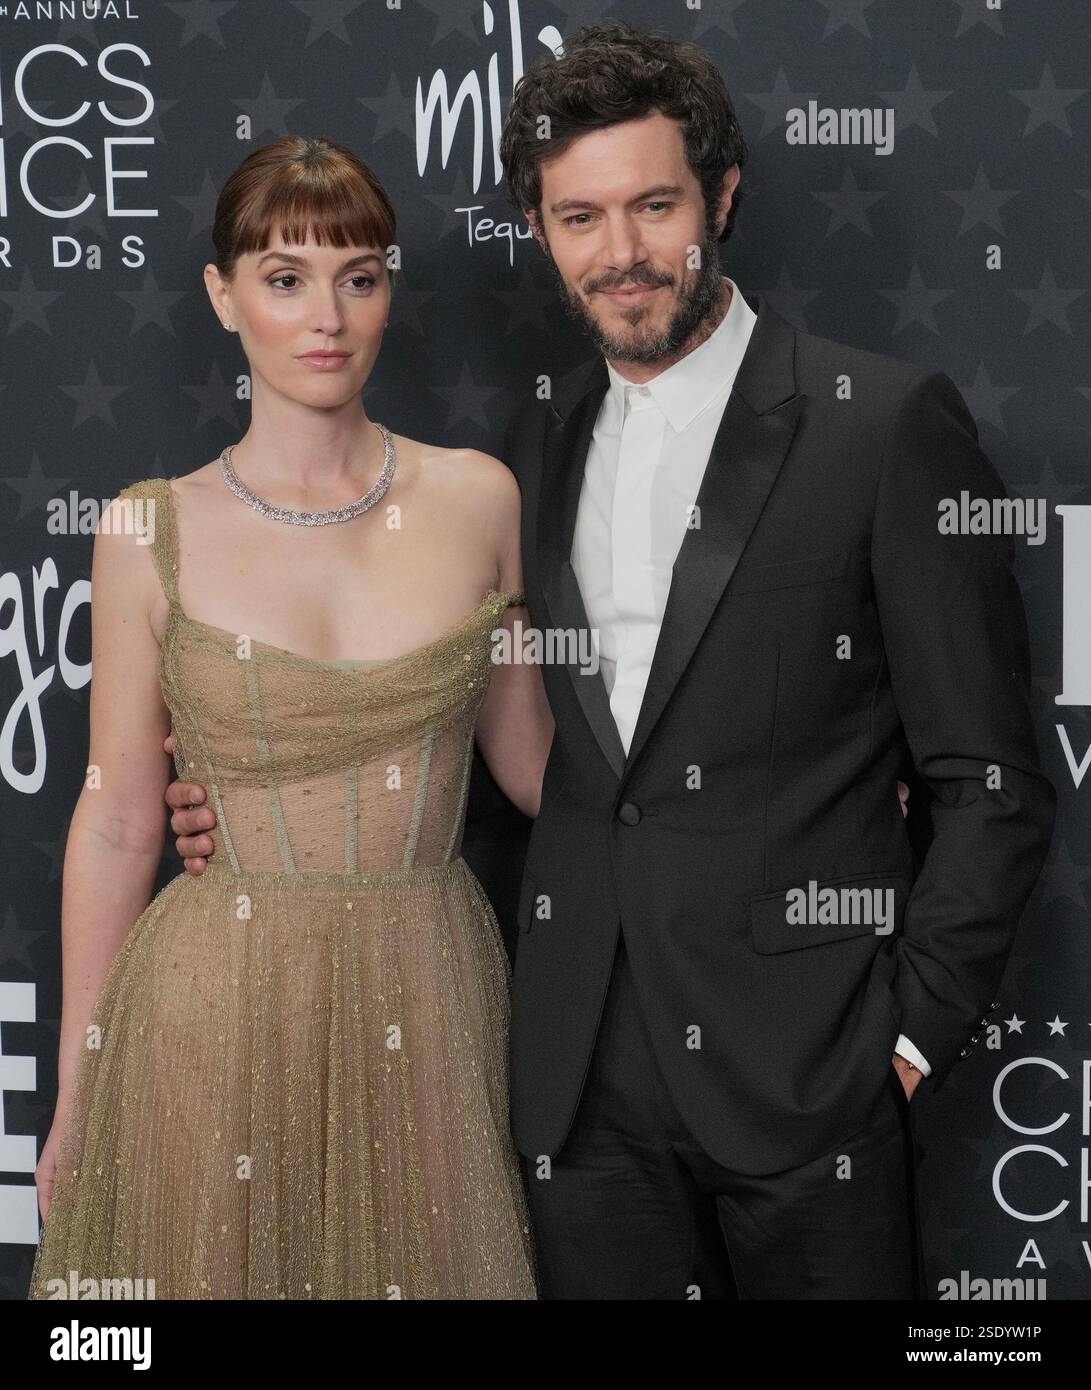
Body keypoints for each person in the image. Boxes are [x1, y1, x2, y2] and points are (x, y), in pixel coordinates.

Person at [165, 25, 1055, 1299]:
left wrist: (901, 1040)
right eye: (577, 215)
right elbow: (485, 733)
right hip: (575, 1085)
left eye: (653, 204)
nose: (619, 251)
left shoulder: (881, 425)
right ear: (538, 228)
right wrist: (245, 796)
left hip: (810, 1082)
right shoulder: (524, 447)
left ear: (723, 198)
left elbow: (990, 782)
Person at [29, 135, 552, 1300]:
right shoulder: (144, 530)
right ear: (224, 298)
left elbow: (536, 770)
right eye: (285, 278)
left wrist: (780, 780)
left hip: (430, 996)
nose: (328, 315)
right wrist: (78, 1083)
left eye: (358, 276)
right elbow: (118, 824)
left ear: (388, 294)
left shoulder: (477, 497)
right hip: (213, 1003)